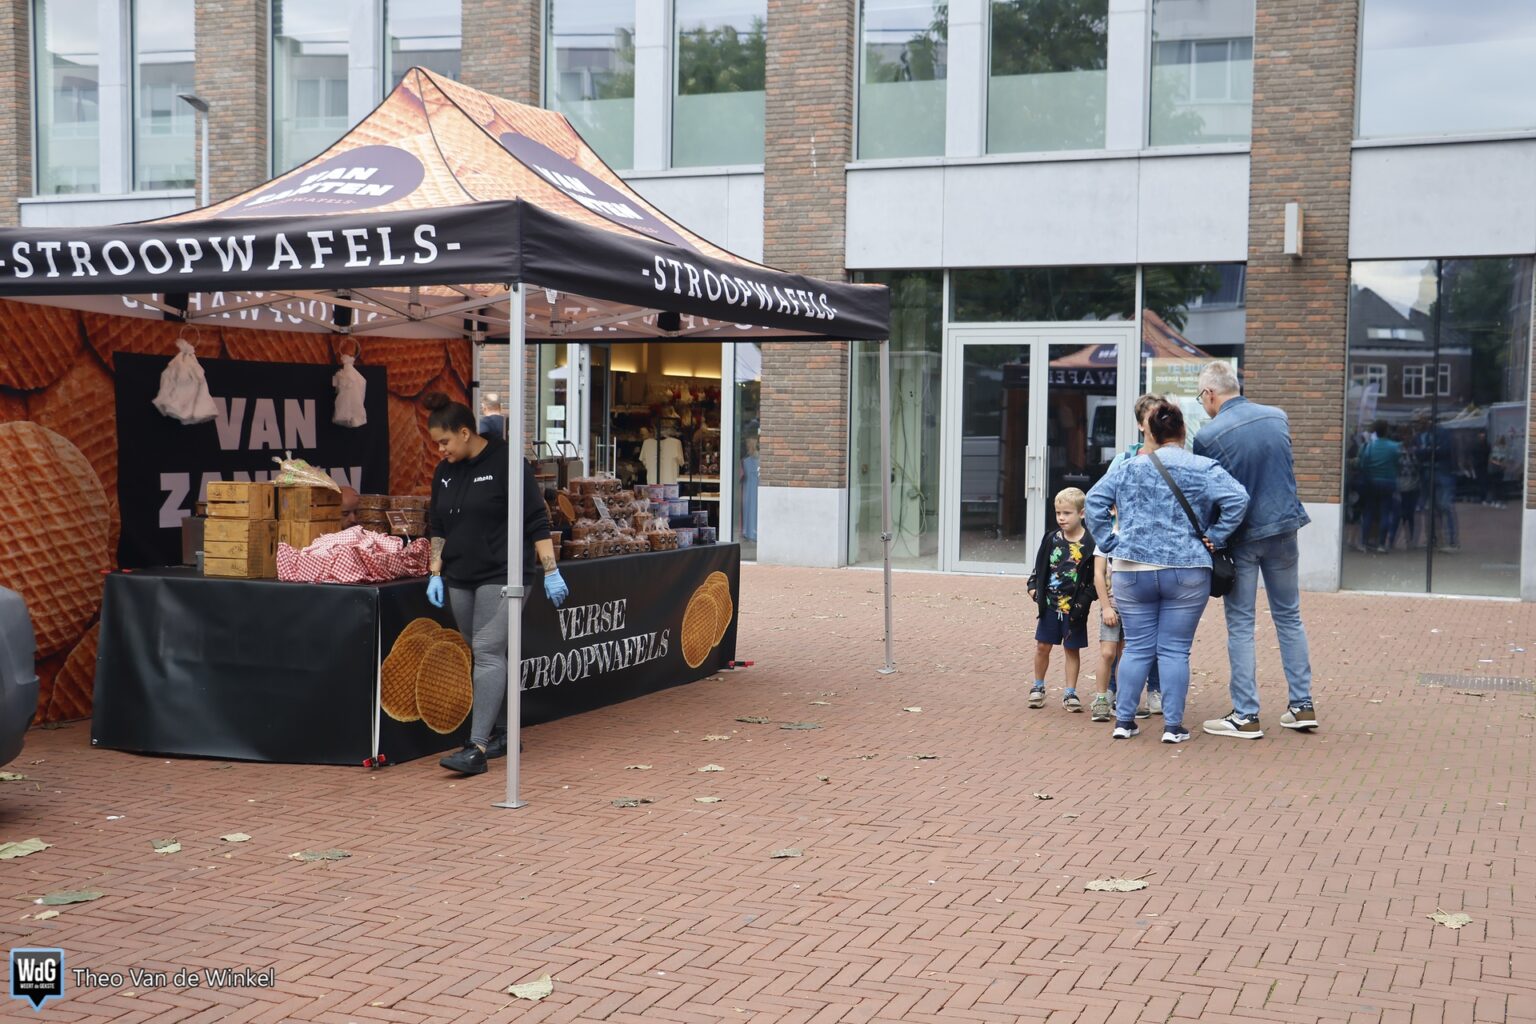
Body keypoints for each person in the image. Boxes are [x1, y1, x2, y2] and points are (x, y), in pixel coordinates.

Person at [423, 391, 570, 776]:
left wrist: (550, 569)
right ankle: (503, 732)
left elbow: (536, 518)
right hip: (459, 576)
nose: (440, 450)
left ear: (466, 432)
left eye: (445, 442)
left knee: (488, 651)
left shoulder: (508, 463)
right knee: (486, 657)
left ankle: (477, 748)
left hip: (503, 573)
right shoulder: (445, 472)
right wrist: (435, 571)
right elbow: (438, 525)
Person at [1086, 399, 1248, 743]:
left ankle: (1124, 721)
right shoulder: (1203, 467)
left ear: (1153, 434)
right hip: (1187, 568)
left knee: (1137, 648)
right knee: (1175, 650)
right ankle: (1173, 727)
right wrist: (1216, 537)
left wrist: (1109, 541)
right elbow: (1238, 499)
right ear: (1182, 431)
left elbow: (1094, 501)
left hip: (1132, 568)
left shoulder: (1128, 467)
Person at [1192, 362, 1318, 739]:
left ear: (1211, 394)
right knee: (1289, 617)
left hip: (1243, 536)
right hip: (1284, 529)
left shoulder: (1208, 435)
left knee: (1242, 624)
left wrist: (1214, 534)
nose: (1203, 405)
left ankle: (1246, 714)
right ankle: (1302, 705)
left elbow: (1211, 496)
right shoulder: (1277, 417)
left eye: (1202, 398)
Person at [1101, 393, 1165, 719]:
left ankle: (1155, 691)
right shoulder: (1123, 460)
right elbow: (1102, 498)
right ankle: (1115, 690)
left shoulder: (1177, 457)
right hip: (1128, 557)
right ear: (1141, 423)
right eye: (1152, 416)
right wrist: (1106, 544)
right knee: (1129, 632)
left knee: (1160, 631)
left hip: (1164, 556)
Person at [1025, 488, 1096, 712]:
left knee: (1071, 649)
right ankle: (1038, 686)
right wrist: (1033, 587)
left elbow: (1095, 577)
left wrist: (1083, 602)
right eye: (1058, 513)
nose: (1061, 518)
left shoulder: (1090, 543)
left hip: (1074, 608)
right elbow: (1040, 566)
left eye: (1067, 513)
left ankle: (1070, 692)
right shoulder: (1051, 538)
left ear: (1082, 513)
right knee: (1042, 646)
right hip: (1050, 605)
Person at [1354, 419, 1400, 553]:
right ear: (1387, 430)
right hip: (1388, 482)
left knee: (1368, 512)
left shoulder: (1368, 446)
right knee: (1385, 512)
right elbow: (1398, 463)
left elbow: (1361, 464)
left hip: (1371, 482)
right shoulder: (1395, 446)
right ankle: (1381, 544)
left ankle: (1363, 542)